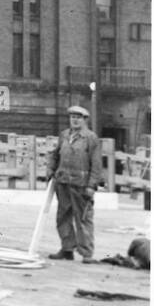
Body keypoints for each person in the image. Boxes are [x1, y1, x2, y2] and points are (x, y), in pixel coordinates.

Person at [46, 105, 103, 263]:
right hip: (63, 182)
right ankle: (67, 249)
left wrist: (92, 186)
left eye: (78, 117)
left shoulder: (91, 138)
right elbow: (55, 155)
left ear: (85, 120)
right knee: (63, 217)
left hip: (81, 185)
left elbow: (96, 164)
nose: (75, 120)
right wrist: (50, 170)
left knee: (83, 219)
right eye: (72, 117)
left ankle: (87, 253)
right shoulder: (64, 135)